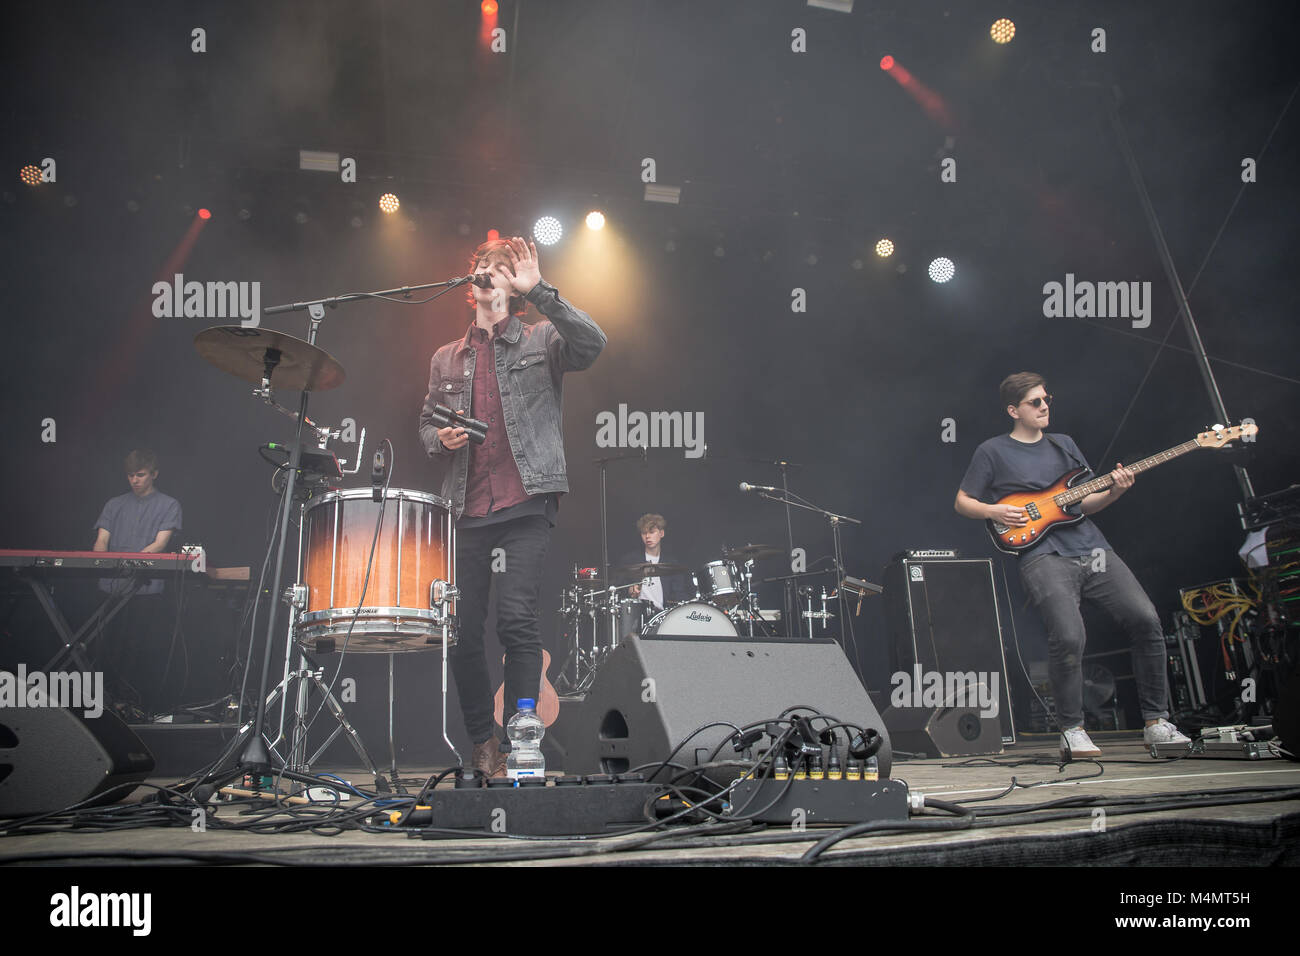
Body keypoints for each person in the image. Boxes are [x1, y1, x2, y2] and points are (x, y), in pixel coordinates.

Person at [420, 236, 605, 777]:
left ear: (513, 285)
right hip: (468, 508)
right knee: (460, 628)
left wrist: (541, 292)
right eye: (482, 266)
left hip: (526, 503)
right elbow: (426, 424)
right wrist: (441, 440)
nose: (489, 274)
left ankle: (520, 740)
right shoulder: (445, 358)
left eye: (501, 269)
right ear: (469, 286)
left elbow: (592, 343)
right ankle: (483, 741)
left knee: (517, 620)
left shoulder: (541, 338)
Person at [954, 372, 1190, 759]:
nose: (1044, 406)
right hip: (1043, 555)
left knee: (1146, 619)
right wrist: (994, 509)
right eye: (1035, 402)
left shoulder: (1065, 446)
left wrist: (1114, 490)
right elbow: (962, 501)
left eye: (1046, 399)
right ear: (1013, 410)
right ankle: (1072, 730)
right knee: (1068, 635)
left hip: (1093, 548)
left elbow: (1082, 503)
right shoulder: (992, 451)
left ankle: (1156, 723)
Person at [92, 449, 183, 715]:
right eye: (131, 475)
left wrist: (130, 563)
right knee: (107, 648)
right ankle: (104, 705)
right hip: (109, 588)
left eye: (140, 474)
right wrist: (99, 561)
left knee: (140, 649)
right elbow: (101, 541)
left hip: (147, 590)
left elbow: (160, 544)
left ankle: (136, 707)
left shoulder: (169, 505)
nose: (135, 480)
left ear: (154, 474)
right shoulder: (114, 504)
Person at [618, 513, 691, 614]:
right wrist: (629, 590)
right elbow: (618, 588)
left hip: (663, 615)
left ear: (661, 534)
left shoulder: (671, 563)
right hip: (637, 615)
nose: (647, 536)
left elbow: (679, 594)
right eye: (644, 533)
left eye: (651, 532)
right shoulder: (631, 560)